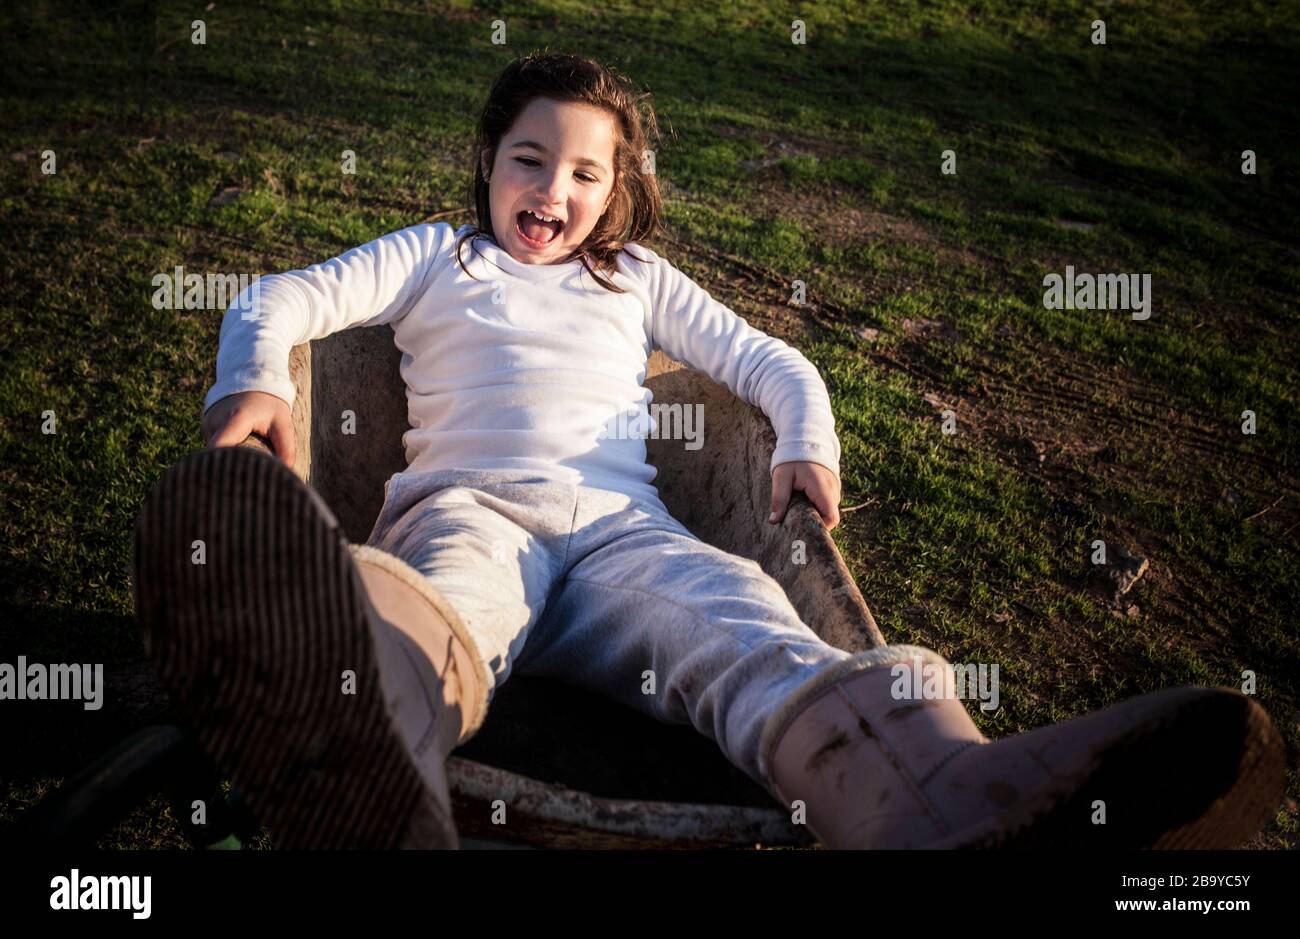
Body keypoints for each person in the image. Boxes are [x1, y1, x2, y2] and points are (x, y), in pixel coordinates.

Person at [134, 52, 1282, 849]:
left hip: (626, 534)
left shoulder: (635, 281)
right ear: (489, 160)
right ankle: (356, 742)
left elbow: (774, 364)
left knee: (743, 621)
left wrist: (805, 443)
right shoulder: (439, 257)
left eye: (586, 173)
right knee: (440, 607)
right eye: (530, 160)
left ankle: (933, 797)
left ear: (618, 192)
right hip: (470, 502)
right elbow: (284, 297)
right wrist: (250, 385)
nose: (553, 190)